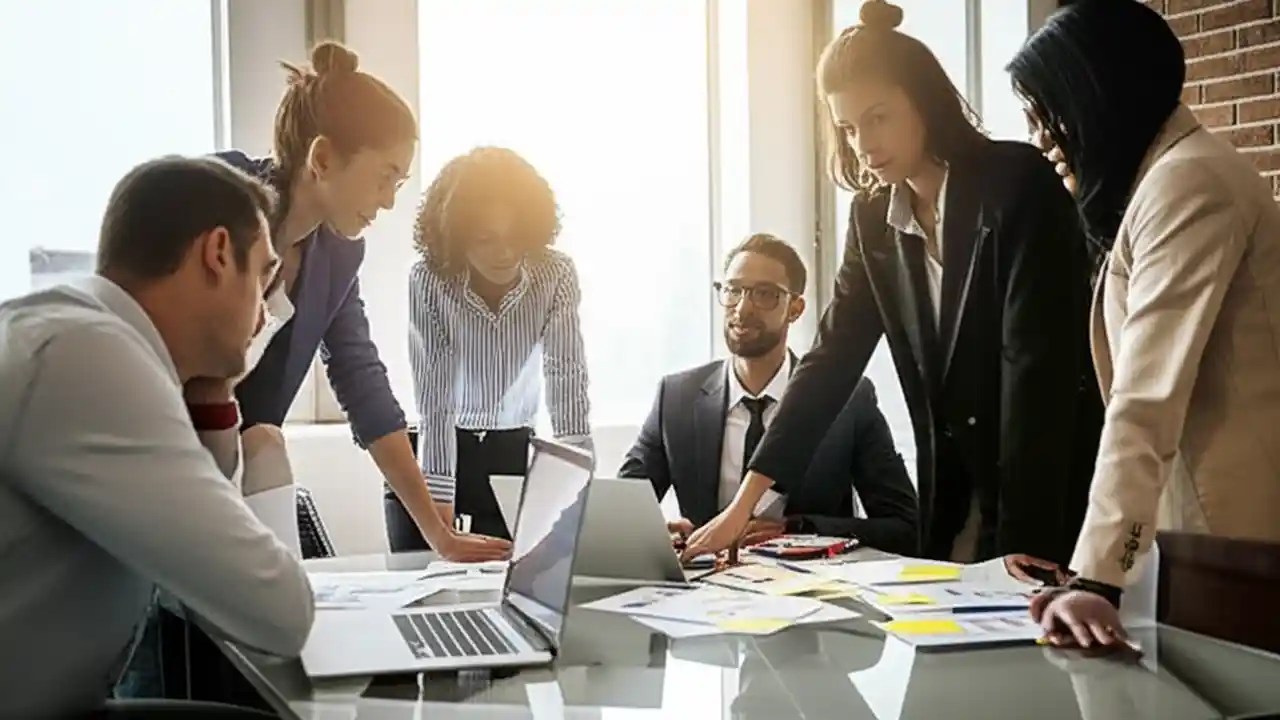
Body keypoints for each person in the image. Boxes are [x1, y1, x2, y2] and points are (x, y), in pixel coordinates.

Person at [681, 0, 1102, 582]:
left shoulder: (1017, 184)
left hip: (1048, 486)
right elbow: (831, 360)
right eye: (849, 128)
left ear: (924, 102)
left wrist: (1027, 544)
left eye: (878, 118)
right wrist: (741, 506)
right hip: (952, 492)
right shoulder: (873, 217)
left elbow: (1037, 371)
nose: (863, 144)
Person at [0, 156, 313, 718]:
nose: (265, 315)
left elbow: (206, 583)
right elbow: (279, 613)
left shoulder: (78, 332)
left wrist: (213, 397)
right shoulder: (88, 356)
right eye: (264, 276)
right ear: (218, 253)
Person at [1010, 0, 1280, 647]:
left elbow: (1146, 398)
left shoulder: (1190, 182)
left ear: (1101, 96)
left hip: (1238, 548)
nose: (1043, 140)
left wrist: (1098, 581)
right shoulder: (1169, 179)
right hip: (1201, 544)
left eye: (1050, 115)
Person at [220, 42, 509, 561]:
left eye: (398, 184)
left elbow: (361, 380)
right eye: (384, 177)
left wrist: (438, 534)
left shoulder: (336, 255)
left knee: (264, 446)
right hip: (166, 457)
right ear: (323, 158)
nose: (389, 200)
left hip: (243, 466)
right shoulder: (218, 193)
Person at [621, 233, 918, 554]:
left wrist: (799, 528)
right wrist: (649, 532)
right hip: (705, 589)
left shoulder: (850, 400)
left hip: (812, 590)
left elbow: (905, 527)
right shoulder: (677, 398)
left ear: (795, 308)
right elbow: (613, 512)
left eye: (764, 294)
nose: (743, 308)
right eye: (733, 291)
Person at [405, 146, 592, 547]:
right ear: (456, 238)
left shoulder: (555, 273)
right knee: (422, 578)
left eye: (515, 237)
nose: (504, 253)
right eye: (485, 239)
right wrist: (439, 495)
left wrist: (579, 483)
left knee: (505, 578)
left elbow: (566, 376)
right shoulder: (429, 280)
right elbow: (434, 397)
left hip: (511, 449)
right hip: (439, 446)